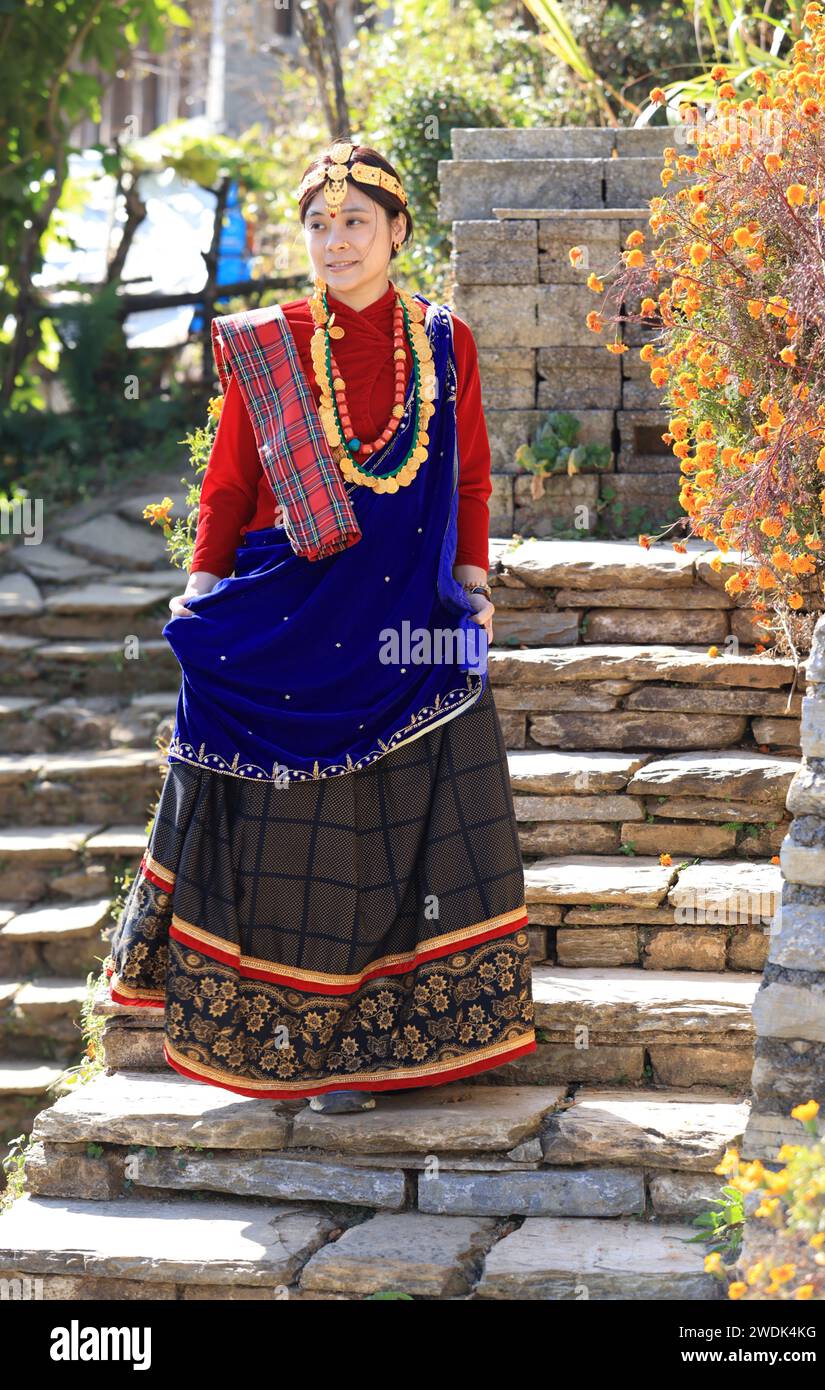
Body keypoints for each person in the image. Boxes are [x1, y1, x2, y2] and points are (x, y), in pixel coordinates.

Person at [106, 139, 536, 1114]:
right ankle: (284, 1050)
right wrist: (200, 584)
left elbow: (466, 473)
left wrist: (470, 579)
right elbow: (227, 483)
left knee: (390, 830)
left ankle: (384, 1043)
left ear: (395, 231)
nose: (332, 240)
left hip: (399, 626)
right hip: (281, 621)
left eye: (352, 221)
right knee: (289, 839)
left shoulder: (440, 339)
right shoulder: (270, 342)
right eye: (316, 224)